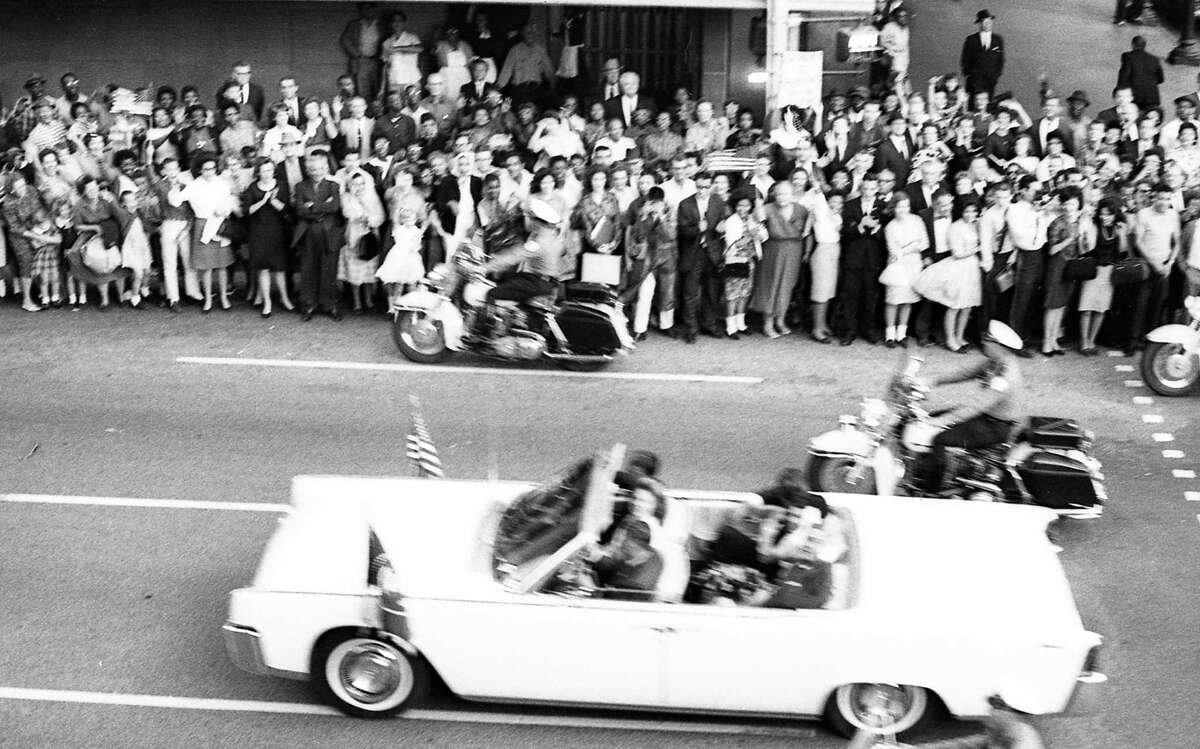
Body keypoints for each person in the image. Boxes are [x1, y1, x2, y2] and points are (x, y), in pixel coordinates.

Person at [925, 320, 1025, 494]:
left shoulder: (1005, 376)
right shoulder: (997, 361)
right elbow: (966, 373)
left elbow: (977, 405)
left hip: (994, 427)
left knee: (938, 438)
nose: (983, 341)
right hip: (987, 417)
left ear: (998, 345)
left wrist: (944, 420)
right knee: (930, 417)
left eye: (987, 339)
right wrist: (933, 380)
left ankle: (933, 489)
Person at [752, 180, 810, 339]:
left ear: (792, 194)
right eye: (777, 193)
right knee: (771, 284)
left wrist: (807, 251)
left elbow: (808, 231)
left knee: (787, 284)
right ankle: (767, 323)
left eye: (784, 193)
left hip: (794, 250)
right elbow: (755, 223)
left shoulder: (802, 210)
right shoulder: (767, 209)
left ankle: (780, 320)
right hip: (773, 249)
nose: (780, 197)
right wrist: (758, 216)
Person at [675, 171, 728, 342]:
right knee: (690, 292)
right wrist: (698, 228)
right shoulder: (685, 204)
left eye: (706, 187)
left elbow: (723, 222)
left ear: (711, 186)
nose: (702, 191)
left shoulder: (718, 201)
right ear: (695, 186)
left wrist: (722, 227)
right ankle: (691, 328)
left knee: (711, 291)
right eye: (699, 187)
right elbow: (681, 232)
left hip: (712, 252)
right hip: (693, 252)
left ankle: (709, 324)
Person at [181, 154, 238, 312]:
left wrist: (225, 211)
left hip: (219, 225)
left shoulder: (222, 183)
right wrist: (174, 183)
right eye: (206, 169)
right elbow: (178, 199)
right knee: (206, 266)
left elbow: (230, 201)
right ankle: (208, 299)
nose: (209, 172)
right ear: (200, 170)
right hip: (202, 225)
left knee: (222, 264)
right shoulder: (193, 185)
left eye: (212, 168)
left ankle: (224, 297)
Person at [293, 150, 345, 321]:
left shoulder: (333, 186)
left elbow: (335, 207)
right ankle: (309, 305)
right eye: (313, 170)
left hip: (329, 233)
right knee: (308, 270)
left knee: (329, 270)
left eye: (321, 169)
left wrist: (312, 206)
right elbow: (300, 211)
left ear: (326, 169)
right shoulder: (300, 186)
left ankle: (330, 305)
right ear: (309, 171)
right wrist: (322, 206)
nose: (317, 173)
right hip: (308, 233)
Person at [1042, 188, 1091, 356]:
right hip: (1057, 264)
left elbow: (1084, 248)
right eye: (1067, 203)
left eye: (1074, 203)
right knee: (1052, 305)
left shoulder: (1078, 223)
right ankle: (1046, 343)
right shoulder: (1057, 223)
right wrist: (1069, 239)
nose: (1070, 207)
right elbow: (1052, 250)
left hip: (1071, 265)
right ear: (1062, 205)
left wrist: (1084, 235)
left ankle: (1054, 340)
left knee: (1062, 305)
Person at [839, 172, 885, 346]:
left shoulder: (883, 206)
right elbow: (845, 232)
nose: (868, 191)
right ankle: (849, 330)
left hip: (873, 258)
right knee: (851, 295)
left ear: (877, 188)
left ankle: (869, 330)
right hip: (853, 257)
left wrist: (875, 229)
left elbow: (886, 234)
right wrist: (859, 226)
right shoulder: (851, 205)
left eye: (872, 188)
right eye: (865, 188)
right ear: (861, 187)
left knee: (870, 296)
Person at [1078, 198, 1125, 355]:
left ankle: (1092, 340)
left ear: (1115, 215)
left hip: (1109, 271)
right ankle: (1084, 342)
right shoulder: (1094, 226)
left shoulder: (1118, 229)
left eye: (1109, 215)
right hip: (1093, 269)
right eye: (1102, 214)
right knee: (1086, 308)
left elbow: (1123, 251)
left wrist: (1122, 233)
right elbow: (1086, 247)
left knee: (1101, 309)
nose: (1105, 217)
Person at [881, 193, 928, 346]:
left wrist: (908, 247)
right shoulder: (890, 226)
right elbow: (893, 249)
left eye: (906, 206)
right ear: (894, 207)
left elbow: (924, 243)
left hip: (914, 263)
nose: (904, 209)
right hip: (897, 265)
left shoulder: (917, 220)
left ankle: (902, 334)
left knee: (908, 300)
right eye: (900, 206)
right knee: (893, 300)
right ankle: (890, 334)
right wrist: (912, 246)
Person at [721, 190, 767, 339]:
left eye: (746, 205)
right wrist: (750, 235)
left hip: (750, 261)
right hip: (735, 260)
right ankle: (730, 326)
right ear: (735, 206)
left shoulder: (753, 219)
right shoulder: (731, 221)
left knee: (744, 293)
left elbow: (765, 236)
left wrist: (757, 233)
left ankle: (741, 323)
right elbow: (733, 243)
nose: (743, 208)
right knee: (732, 294)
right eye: (740, 205)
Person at [340, 3, 384, 102]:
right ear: (361, 11)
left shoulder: (380, 25)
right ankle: (363, 113)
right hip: (361, 61)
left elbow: (387, 41)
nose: (368, 11)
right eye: (365, 8)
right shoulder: (355, 24)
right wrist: (356, 54)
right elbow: (345, 40)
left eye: (370, 8)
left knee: (378, 88)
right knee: (362, 90)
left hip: (376, 61)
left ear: (374, 9)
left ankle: (377, 114)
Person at [960, 9, 1004, 102]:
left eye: (990, 21)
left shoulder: (998, 40)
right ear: (980, 23)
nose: (988, 24)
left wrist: (996, 75)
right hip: (974, 81)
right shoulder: (971, 40)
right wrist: (970, 74)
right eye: (985, 22)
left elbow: (1001, 59)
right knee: (973, 103)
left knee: (988, 103)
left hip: (991, 80)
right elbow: (965, 59)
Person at [380, 11, 423, 97]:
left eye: (399, 21)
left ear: (404, 23)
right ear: (391, 24)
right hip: (394, 81)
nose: (397, 23)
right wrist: (382, 89)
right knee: (396, 107)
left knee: (412, 106)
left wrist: (397, 48)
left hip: (411, 80)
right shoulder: (387, 42)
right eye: (394, 21)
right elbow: (386, 67)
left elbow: (419, 49)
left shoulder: (412, 38)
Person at [1117, 36, 1164, 111]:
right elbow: (1161, 79)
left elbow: (1124, 76)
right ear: (1145, 46)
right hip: (1152, 97)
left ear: (1133, 45)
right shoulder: (1155, 59)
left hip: (1135, 96)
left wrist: (1119, 92)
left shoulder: (1128, 56)